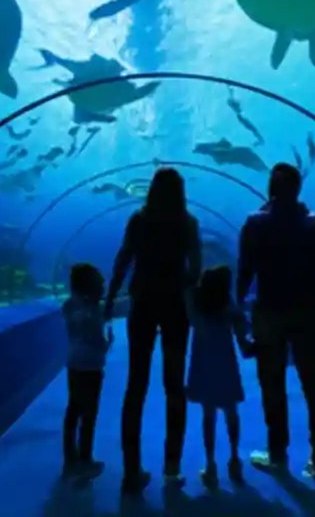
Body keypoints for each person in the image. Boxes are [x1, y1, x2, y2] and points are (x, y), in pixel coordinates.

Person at [237, 162, 315, 485]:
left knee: (272, 386)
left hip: (268, 314)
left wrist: (237, 311)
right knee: (313, 386)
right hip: (308, 313)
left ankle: (277, 454)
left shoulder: (255, 223)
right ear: (298, 188)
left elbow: (244, 271)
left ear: (271, 189)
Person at [106, 166, 202, 493]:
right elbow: (196, 268)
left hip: (143, 302)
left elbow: (123, 259)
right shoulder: (188, 223)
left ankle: (131, 470)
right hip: (175, 306)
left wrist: (109, 297)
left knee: (136, 385)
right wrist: (184, 284)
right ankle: (172, 468)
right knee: (174, 386)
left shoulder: (139, 219)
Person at [185, 265, 255, 488]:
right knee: (231, 412)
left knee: (208, 415)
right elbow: (245, 346)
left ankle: (210, 464)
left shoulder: (196, 306)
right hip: (226, 365)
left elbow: (187, 293)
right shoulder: (230, 308)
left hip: (203, 365)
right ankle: (235, 459)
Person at [62, 263, 112, 479]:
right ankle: (85, 459)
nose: (103, 285)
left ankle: (70, 456)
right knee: (89, 413)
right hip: (91, 366)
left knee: (73, 409)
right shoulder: (94, 310)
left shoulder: (68, 305)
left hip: (74, 363)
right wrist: (108, 343)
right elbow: (97, 342)